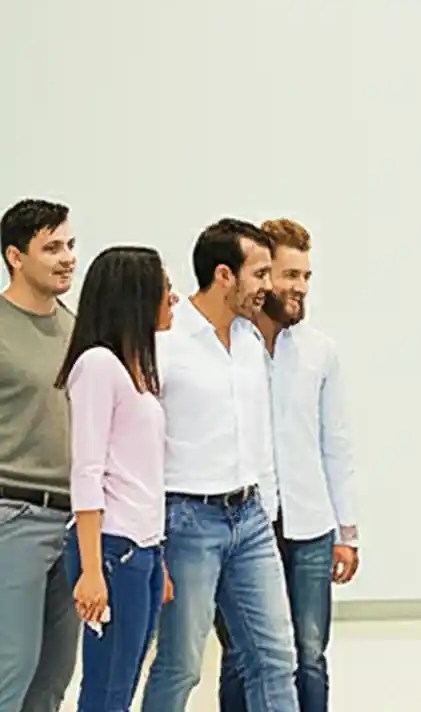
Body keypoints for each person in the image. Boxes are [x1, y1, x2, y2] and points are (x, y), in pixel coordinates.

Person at [140, 218, 300, 712]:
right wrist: (152, 536)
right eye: (260, 274)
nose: (268, 287)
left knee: (276, 658)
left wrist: (269, 516)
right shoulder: (163, 343)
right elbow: (139, 446)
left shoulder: (251, 343)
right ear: (224, 275)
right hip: (187, 521)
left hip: (250, 518)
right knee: (182, 664)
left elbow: (260, 440)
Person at [215, 218, 359, 711]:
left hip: (312, 527)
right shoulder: (230, 349)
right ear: (260, 275)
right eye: (287, 275)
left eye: (306, 276)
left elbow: (335, 444)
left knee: (309, 653)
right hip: (246, 526)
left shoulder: (321, 352)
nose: (298, 287)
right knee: (240, 653)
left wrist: (348, 532)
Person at [54, 246, 179, 711]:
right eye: (165, 288)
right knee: (107, 689)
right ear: (137, 296)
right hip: (109, 551)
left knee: (122, 686)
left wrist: (156, 555)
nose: (174, 298)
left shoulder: (138, 372)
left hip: (140, 550)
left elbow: (140, 472)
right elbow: (87, 471)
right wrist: (90, 569)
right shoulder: (97, 366)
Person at [0, 198, 79, 712]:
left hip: (72, 521)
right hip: (13, 516)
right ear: (15, 256)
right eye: (52, 247)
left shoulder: (77, 326)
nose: (67, 256)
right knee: (11, 670)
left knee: (52, 682)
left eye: (70, 244)